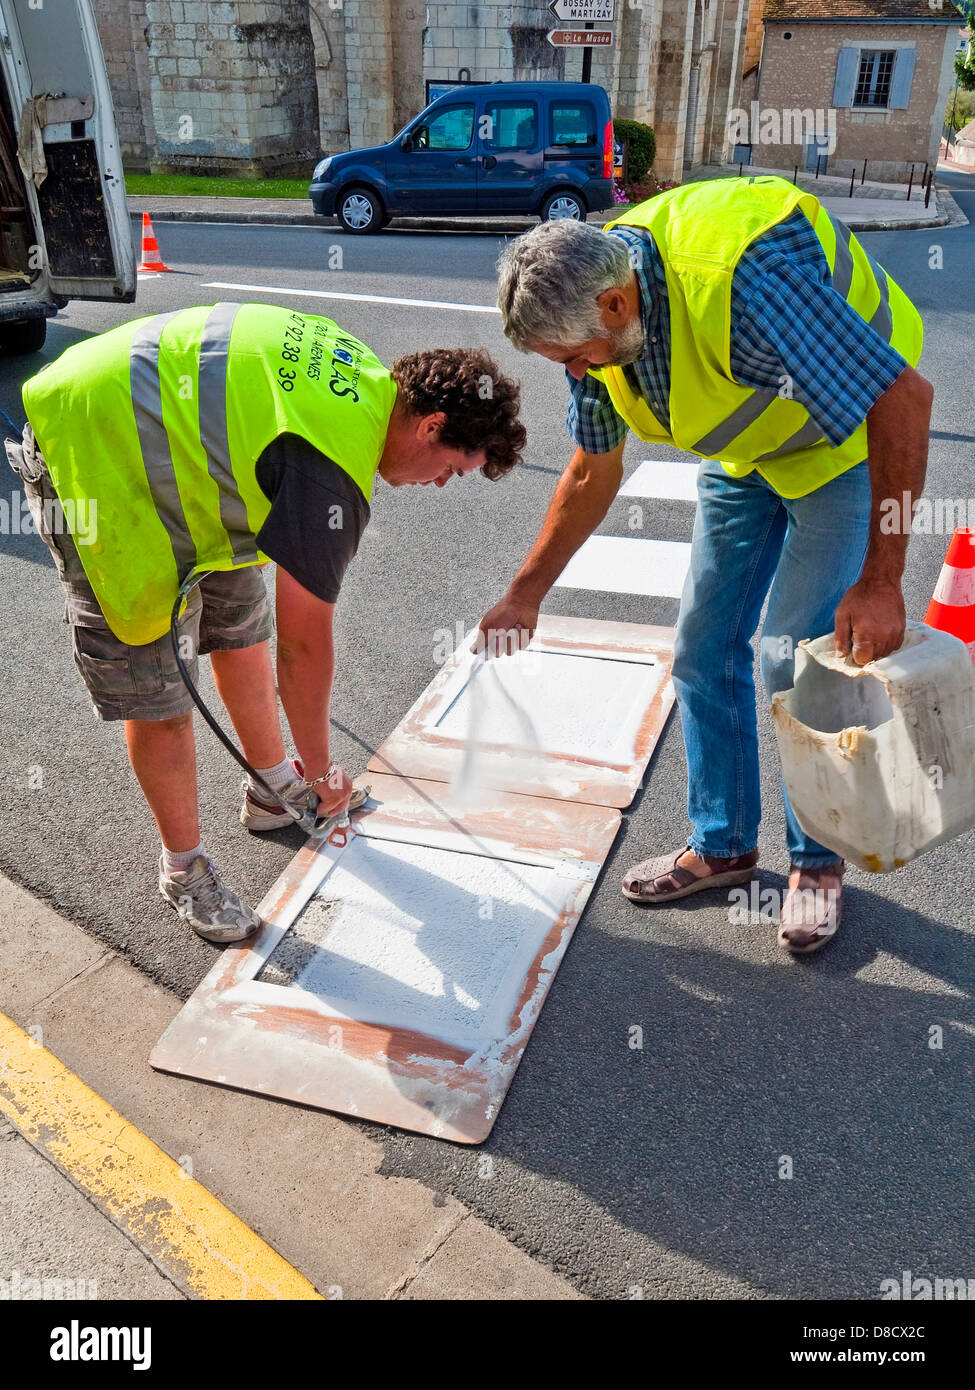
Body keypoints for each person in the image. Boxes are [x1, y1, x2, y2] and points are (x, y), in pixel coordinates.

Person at [485, 174, 932, 954]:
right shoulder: (592, 317)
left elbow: (904, 398)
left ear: (617, 305)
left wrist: (882, 579)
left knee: (795, 662)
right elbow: (593, 469)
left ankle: (816, 862)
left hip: (841, 444)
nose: (580, 372)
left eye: (581, 355)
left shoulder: (745, 282)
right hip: (746, 453)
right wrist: (524, 595)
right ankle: (723, 843)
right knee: (701, 647)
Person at [8, 302, 526, 944]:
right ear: (432, 426)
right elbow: (304, 651)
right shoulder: (330, 470)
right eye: (453, 467)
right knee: (157, 687)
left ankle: (270, 788)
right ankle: (184, 870)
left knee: (239, 625)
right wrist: (324, 771)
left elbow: (276, 638)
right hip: (96, 454)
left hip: (183, 462)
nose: (443, 484)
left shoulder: (371, 387)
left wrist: (306, 773)